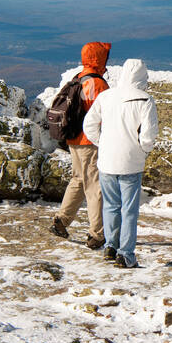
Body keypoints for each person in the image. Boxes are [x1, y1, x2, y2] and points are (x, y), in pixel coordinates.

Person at [83, 58, 158, 269]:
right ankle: (125, 254)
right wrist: (142, 150)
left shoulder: (106, 96)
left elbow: (89, 124)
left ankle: (110, 246)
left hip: (106, 160)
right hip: (130, 162)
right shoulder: (145, 100)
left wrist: (102, 143)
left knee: (111, 205)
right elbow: (149, 135)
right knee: (129, 210)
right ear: (143, 77)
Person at [50, 41, 111, 249]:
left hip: (74, 139)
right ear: (100, 59)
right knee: (95, 186)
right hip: (89, 141)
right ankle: (97, 234)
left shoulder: (77, 78)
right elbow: (102, 114)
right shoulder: (97, 84)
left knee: (78, 179)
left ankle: (62, 220)